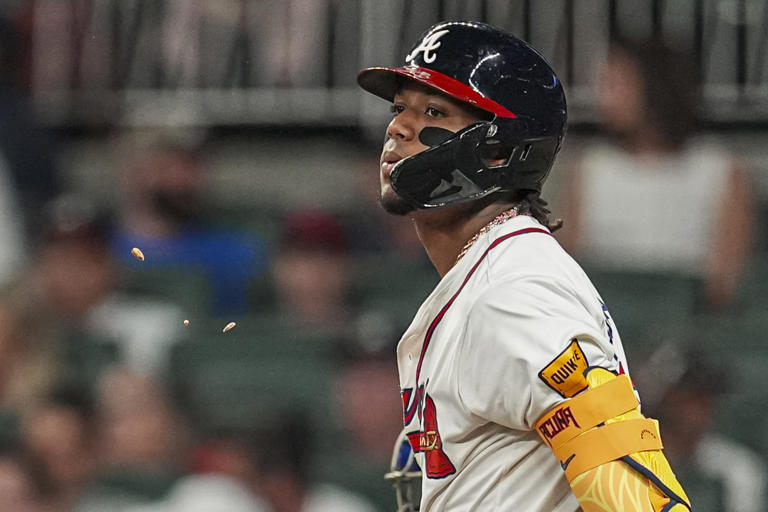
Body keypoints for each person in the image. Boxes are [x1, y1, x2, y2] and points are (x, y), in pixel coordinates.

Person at [357, 21, 691, 511]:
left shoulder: (515, 291)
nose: (398, 127)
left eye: (432, 111)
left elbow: (637, 497)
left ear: (497, 150)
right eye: (398, 107)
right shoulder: (489, 273)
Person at [557, 36, 752, 312]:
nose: (603, 97)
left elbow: (725, 278)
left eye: (617, 84)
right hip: (607, 310)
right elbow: (569, 260)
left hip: (687, 314)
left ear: (654, 86)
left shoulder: (719, 167)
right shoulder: (591, 165)